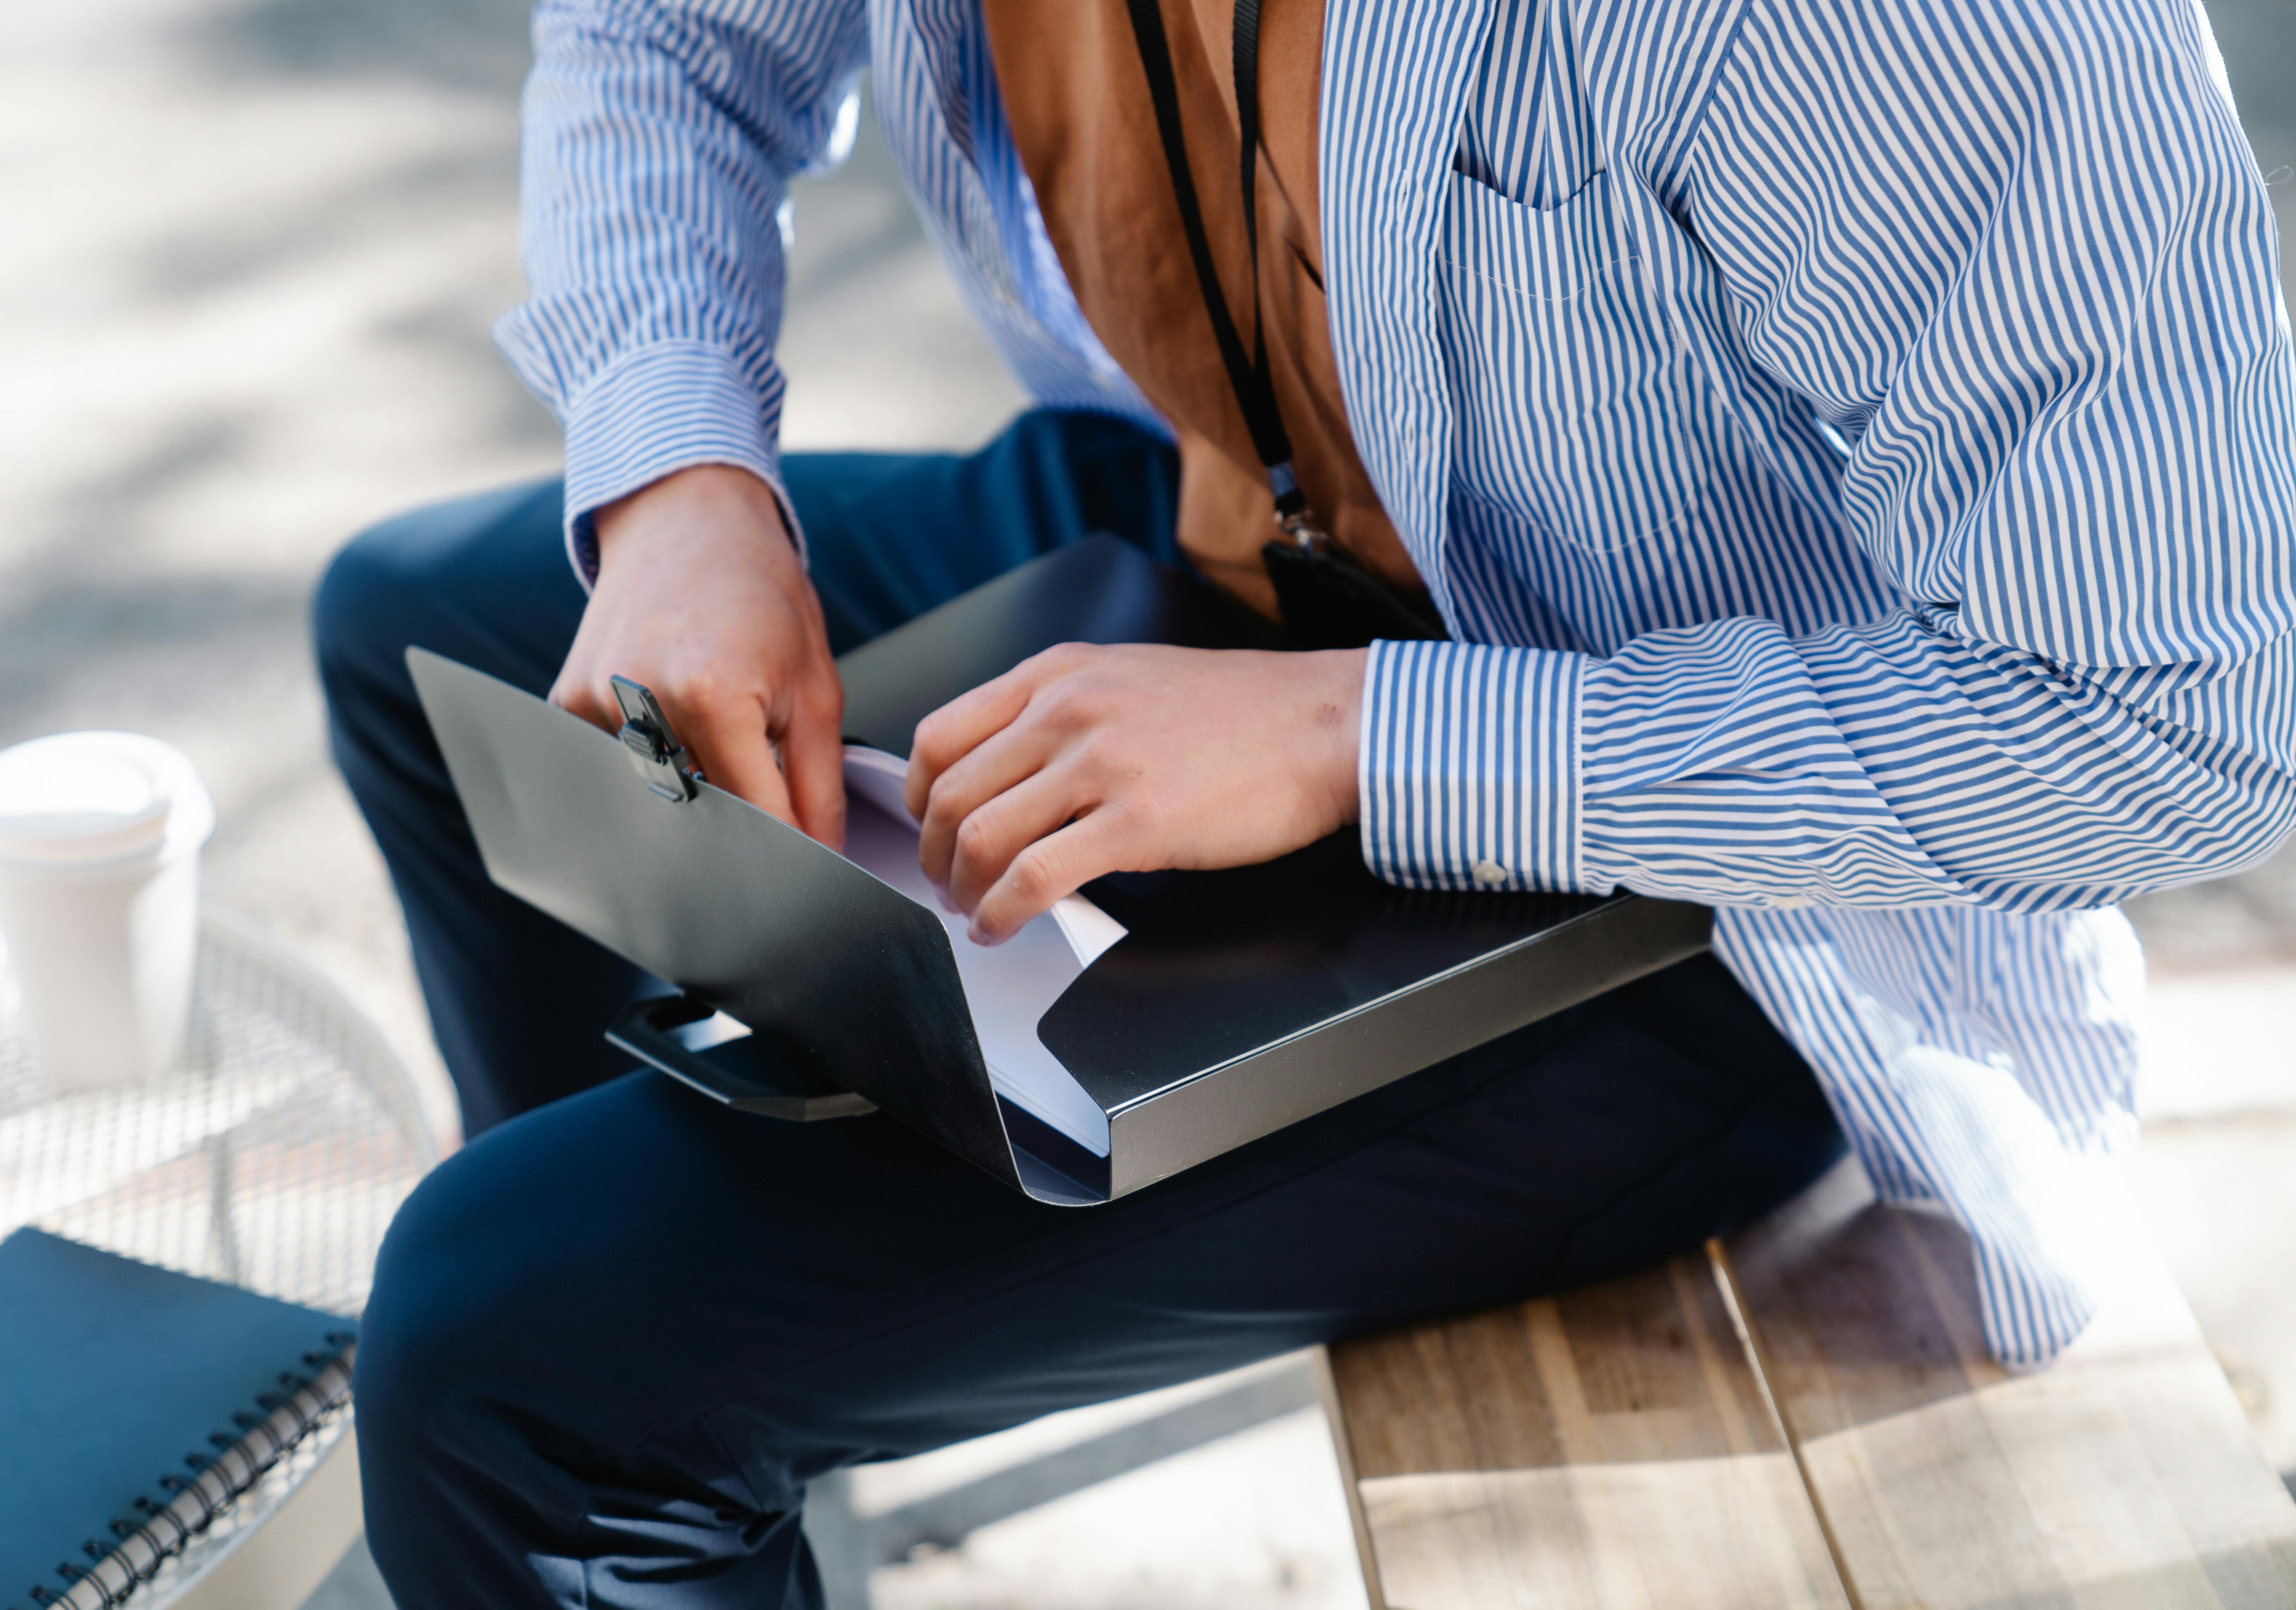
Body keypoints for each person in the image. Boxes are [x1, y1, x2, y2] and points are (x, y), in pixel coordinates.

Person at [312, 0, 2295, 1601]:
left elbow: (2189, 706)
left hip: (1706, 878)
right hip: (1226, 534)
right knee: (428, 646)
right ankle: (750, 1426)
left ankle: (664, 1416)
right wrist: (676, 486)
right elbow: (669, 35)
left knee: (504, 1361)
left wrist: (1359, 739)